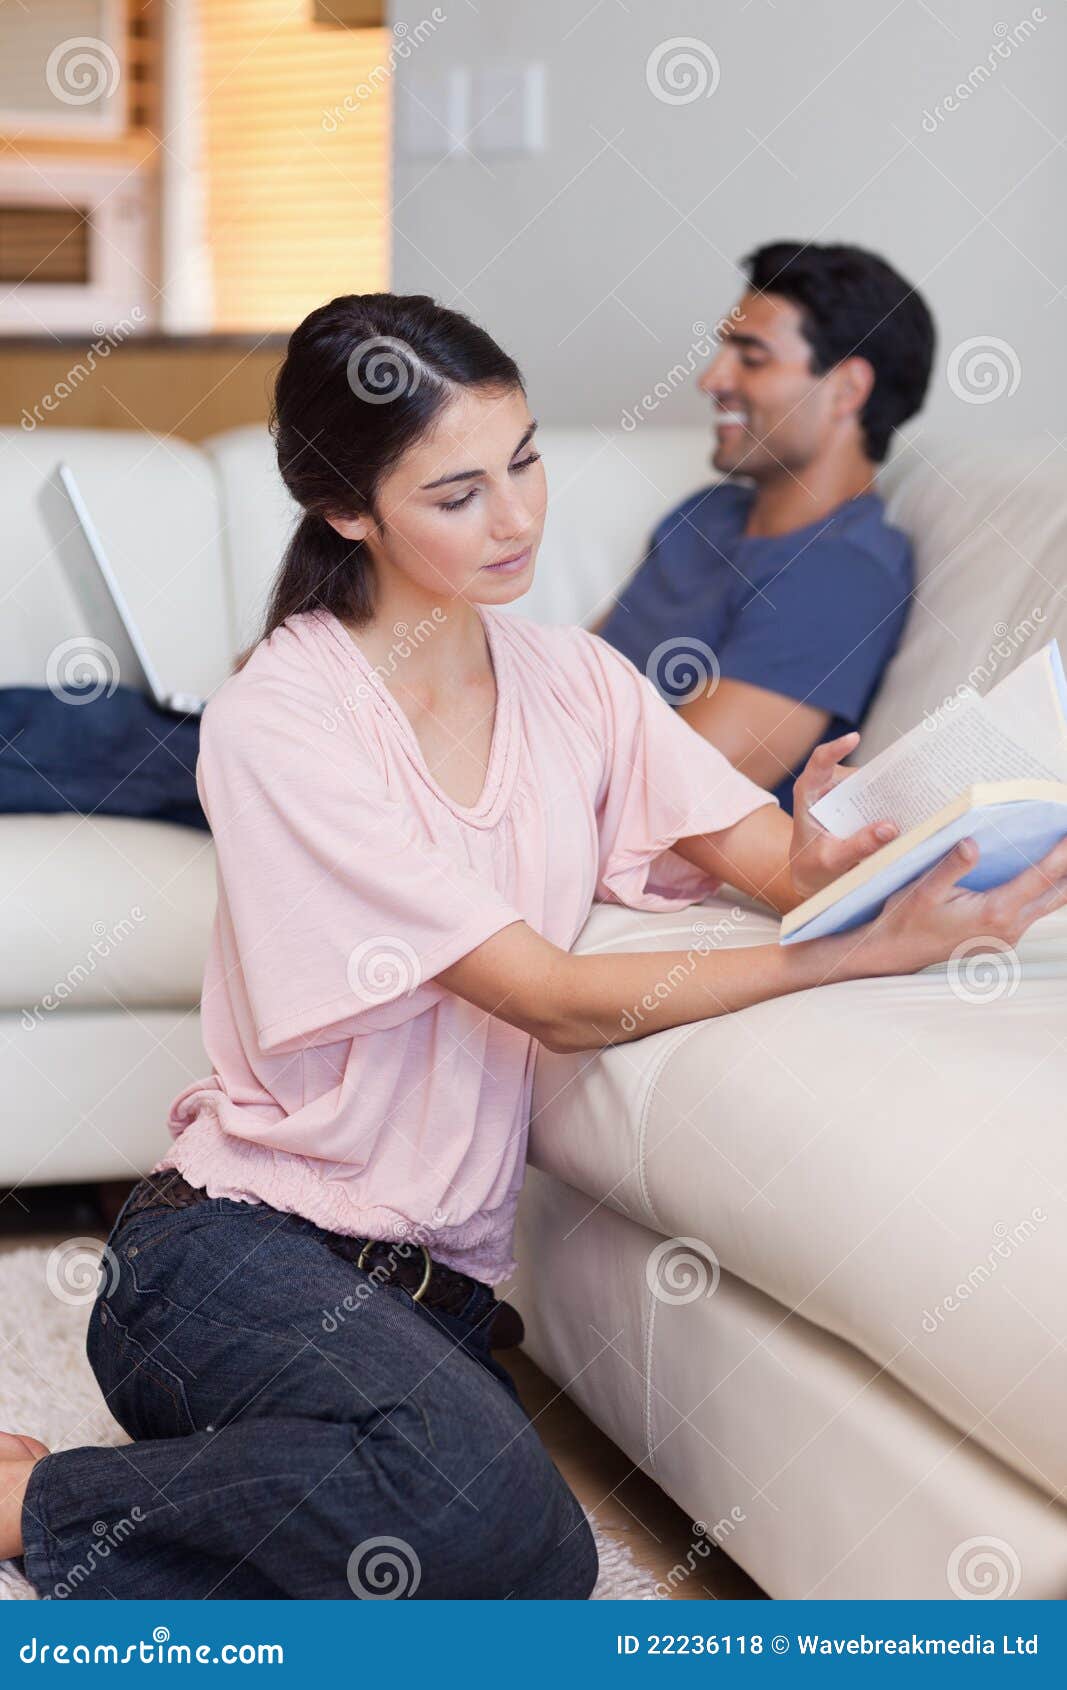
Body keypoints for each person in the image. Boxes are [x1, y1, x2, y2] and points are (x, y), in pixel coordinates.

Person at [4, 294, 1065, 1602]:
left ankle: (245, 1476)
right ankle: (35, 1502)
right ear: (349, 510)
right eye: (457, 493)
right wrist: (844, 958)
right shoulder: (283, 719)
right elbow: (547, 997)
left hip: (427, 1289)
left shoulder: (576, 679)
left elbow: (772, 857)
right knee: (510, 1535)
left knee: (485, 1542)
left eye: (523, 461)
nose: (516, 519)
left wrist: (873, 846)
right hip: (225, 1254)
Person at [593, 241, 935, 812]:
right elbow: (578, 667)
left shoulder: (844, 572)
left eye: (751, 358)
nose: (710, 380)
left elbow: (677, 790)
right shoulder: (705, 513)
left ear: (847, 390)